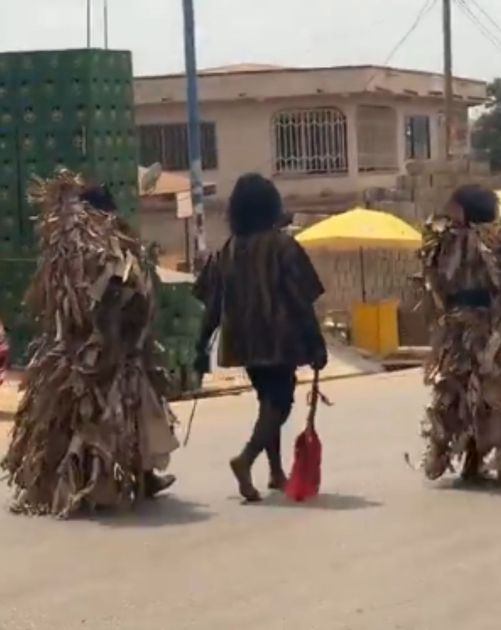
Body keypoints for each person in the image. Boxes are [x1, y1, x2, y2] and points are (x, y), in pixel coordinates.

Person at [2, 174, 178, 517]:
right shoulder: (105, 248)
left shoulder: (62, 249)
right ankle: (135, 476)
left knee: (71, 420)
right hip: (106, 351)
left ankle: (77, 483)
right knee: (126, 415)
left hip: (69, 352)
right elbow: (117, 295)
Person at [192, 173, 327, 503]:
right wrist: (316, 343)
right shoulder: (283, 246)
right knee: (280, 402)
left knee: (267, 400)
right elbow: (302, 299)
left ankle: (276, 471)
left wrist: (201, 345)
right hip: (278, 338)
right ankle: (246, 459)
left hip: (243, 340)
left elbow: (211, 303)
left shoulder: (228, 249)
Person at [419, 184, 501, 485]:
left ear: (469, 210)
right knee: (457, 397)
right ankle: (467, 456)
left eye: (454, 207)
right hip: (458, 333)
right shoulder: (446, 243)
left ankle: (498, 461)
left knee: (495, 400)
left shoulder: (498, 243)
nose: (448, 212)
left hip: (495, 331)